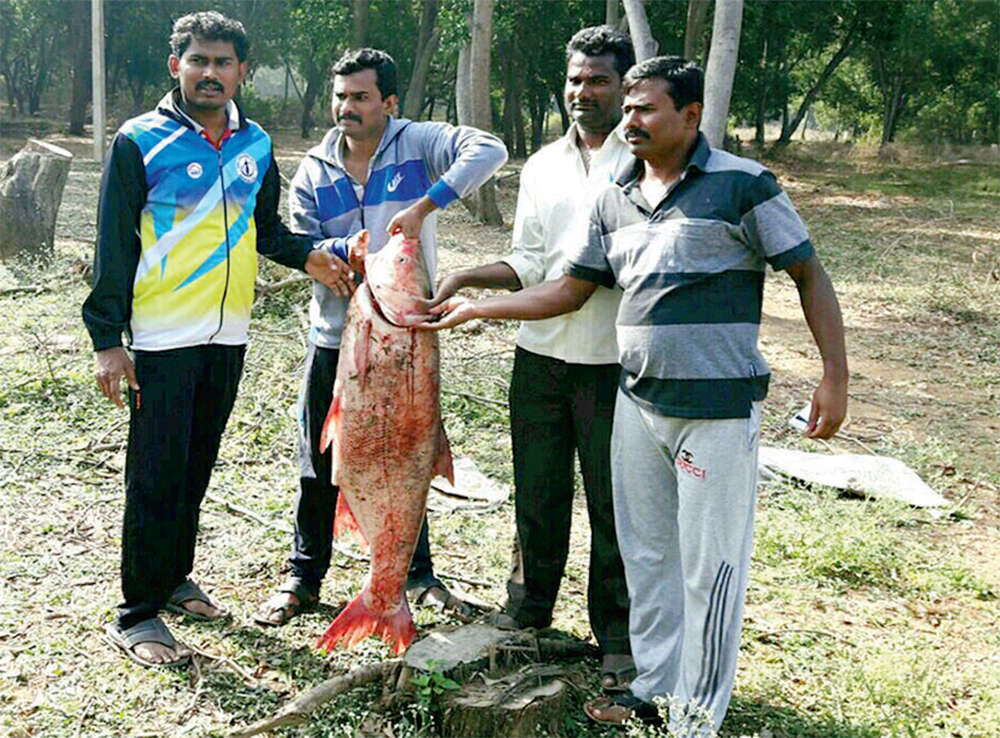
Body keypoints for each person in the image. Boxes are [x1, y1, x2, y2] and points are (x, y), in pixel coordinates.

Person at [423, 56, 848, 732]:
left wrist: (835, 376)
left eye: (644, 108)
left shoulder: (744, 186)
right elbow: (568, 289)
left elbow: (807, 274)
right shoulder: (613, 195)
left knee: (710, 570)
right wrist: (478, 309)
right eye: (629, 109)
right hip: (638, 405)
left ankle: (694, 717)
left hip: (716, 410)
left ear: (689, 115)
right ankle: (651, 689)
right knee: (647, 557)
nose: (630, 120)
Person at [82, 12, 352, 668]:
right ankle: (136, 612)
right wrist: (107, 339)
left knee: (196, 465)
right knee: (154, 473)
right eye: (198, 60)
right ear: (175, 66)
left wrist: (314, 255)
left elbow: (265, 229)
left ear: (241, 72)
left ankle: (173, 579)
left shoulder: (255, 144)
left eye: (223, 62)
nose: (210, 72)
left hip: (227, 335)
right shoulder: (138, 141)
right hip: (160, 337)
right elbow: (113, 246)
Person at [253, 48, 508, 626]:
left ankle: (416, 578)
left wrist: (425, 206)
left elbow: (489, 149)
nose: (347, 107)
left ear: (389, 102)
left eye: (361, 97)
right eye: (341, 96)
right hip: (335, 337)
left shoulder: (418, 143)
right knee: (321, 455)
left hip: (408, 338)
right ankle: (304, 575)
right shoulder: (316, 167)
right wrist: (337, 254)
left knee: (411, 453)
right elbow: (301, 238)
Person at [432, 26, 635, 691]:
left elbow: (582, 284)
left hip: (613, 362)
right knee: (538, 490)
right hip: (539, 359)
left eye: (598, 79)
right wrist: (466, 277)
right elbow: (529, 264)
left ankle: (619, 637)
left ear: (625, 85)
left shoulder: (643, 162)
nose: (583, 91)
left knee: (615, 506)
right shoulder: (545, 163)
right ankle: (527, 609)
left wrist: (478, 309)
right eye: (575, 79)